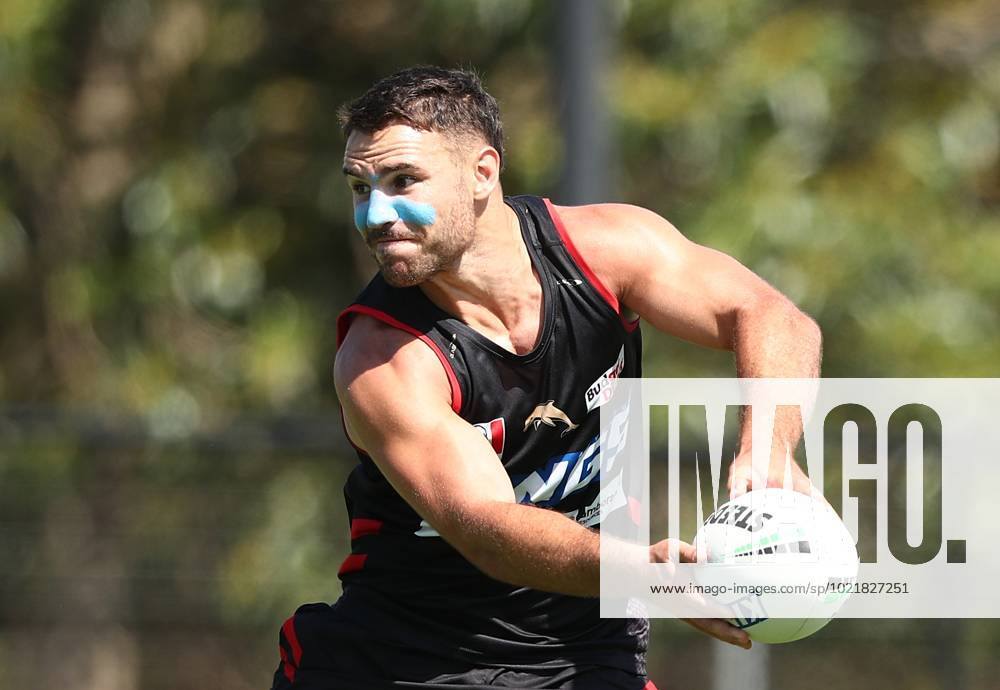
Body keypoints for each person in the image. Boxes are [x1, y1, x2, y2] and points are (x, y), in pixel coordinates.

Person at [270, 66, 820, 689]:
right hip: (410, 661)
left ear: (484, 172)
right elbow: (490, 530)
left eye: (403, 181)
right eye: (359, 188)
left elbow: (768, 314)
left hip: (588, 649)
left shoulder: (604, 251)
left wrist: (769, 447)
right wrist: (646, 573)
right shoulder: (384, 360)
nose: (375, 215)